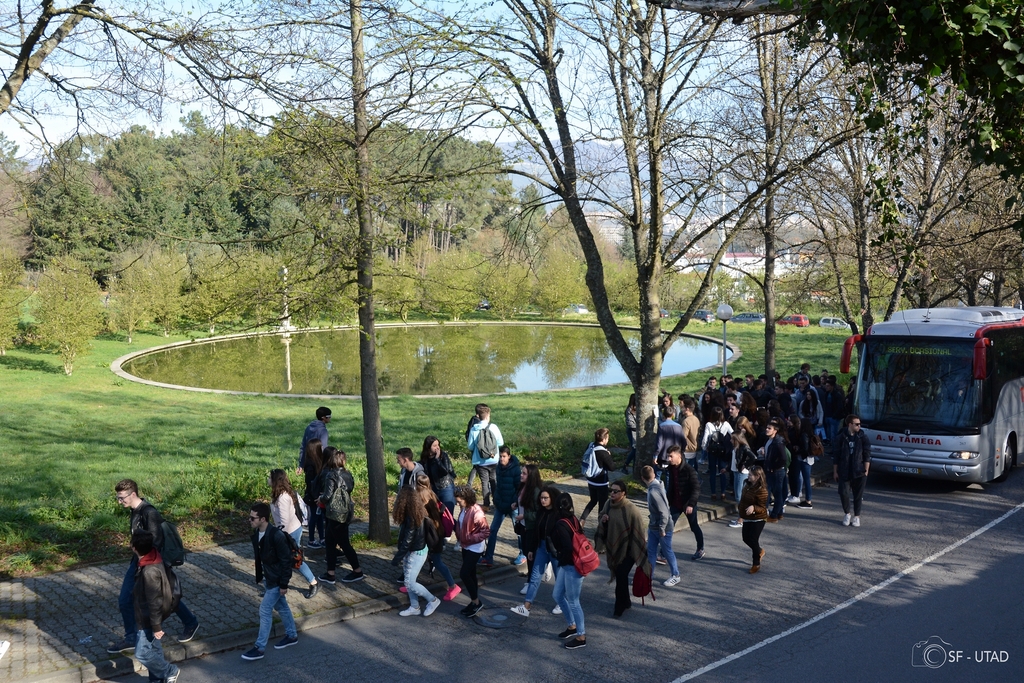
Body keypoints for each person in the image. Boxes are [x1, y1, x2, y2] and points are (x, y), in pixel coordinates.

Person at [108, 480, 199, 654]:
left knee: (165, 597)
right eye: (118, 498)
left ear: (132, 494)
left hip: (150, 564)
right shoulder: (134, 511)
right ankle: (131, 637)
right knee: (143, 598)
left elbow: (156, 542)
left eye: (122, 498)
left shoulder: (149, 512)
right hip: (139, 560)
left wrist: (146, 567)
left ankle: (190, 622)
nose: (120, 501)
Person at [242, 502, 298, 660]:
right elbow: (260, 558)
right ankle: (292, 635)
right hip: (269, 578)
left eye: (253, 518)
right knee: (283, 607)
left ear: (263, 519)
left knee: (265, 610)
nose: (250, 520)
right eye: (250, 517)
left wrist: (284, 584)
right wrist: (260, 577)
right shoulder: (257, 534)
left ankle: (259, 648)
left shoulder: (276, 536)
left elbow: (286, 561)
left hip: (277, 580)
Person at [128, 530, 180, 683]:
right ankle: (157, 679)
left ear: (134, 548)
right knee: (154, 649)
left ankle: (170, 670)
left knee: (142, 653)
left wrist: (156, 626)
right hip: (150, 616)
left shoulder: (149, 571)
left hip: (147, 618)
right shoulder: (153, 558)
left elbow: (154, 601)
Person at [594, 481, 649, 618]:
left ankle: (619, 606)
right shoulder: (608, 505)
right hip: (616, 549)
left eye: (615, 491)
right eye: (610, 490)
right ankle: (626, 601)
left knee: (621, 574)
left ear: (623, 493)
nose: (612, 493)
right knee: (621, 576)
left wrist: (638, 551)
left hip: (630, 549)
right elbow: (600, 517)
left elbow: (639, 532)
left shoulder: (631, 510)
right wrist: (603, 520)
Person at [509, 484, 562, 617]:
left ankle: (561, 603)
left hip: (555, 550)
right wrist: (532, 549)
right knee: (534, 578)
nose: (542, 500)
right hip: (542, 548)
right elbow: (536, 532)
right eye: (541, 498)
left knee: (559, 578)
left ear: (552, 498)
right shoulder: (541, 512)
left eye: (545, 498)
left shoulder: (558, 514)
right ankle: (527, 606)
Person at [391, 488, 443, 617]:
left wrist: (397, 558)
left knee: (409, 582)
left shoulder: (412, 518)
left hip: (416, 553)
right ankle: (414, 607)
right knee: (409, 581)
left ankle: (433, 600)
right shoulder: (415, 512)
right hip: (414, 551)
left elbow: (407, 541)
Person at [268, 469, 319, 599]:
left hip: (290, 533)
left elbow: (284, 521)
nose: (268, 479)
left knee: (295, 560)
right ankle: (274, 588)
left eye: (270, 477)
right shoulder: (278, 495)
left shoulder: (283, 498)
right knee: (283, 561)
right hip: (286, 532)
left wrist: (278, 537)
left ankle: (313, 583)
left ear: (276, 480)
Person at [317, 448, 365, 584]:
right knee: (330, 542)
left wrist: (320, 498)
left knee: (344, 544)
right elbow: (350, 489)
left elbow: (327, 495)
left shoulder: (331, 475)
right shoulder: (348, 474)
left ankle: (357, 571)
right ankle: (330, 573)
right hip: (346, 511)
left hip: (335, 514)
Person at [415, 474, 461, 601]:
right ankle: (411, 585)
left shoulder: (423, 497)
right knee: (418, 560)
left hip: (432, 537)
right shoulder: (431, 494)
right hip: (434, 534)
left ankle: (453, 586)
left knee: (437, 562)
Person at [551, 492, 587, 649]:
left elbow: (567, 547)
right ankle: (572, 626)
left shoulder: (561, 523)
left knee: (574, 602)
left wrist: (560, 557)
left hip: (573, 566)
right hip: (569, 565)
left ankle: (581, 636)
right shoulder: (573, 519)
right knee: (557, 595)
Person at [482, 446, 522, 567]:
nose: (501, 459)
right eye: (500, 456)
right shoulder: (498, 468)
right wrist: (496, 499)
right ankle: (488, 558)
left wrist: (514, 502)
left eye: (504, 456)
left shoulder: (516, 470)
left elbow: (519, 488)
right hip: (501, 505)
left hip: (512, 506)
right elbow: (498, 486)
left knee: (519, 531)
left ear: (509, 457)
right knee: (493, 530)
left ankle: (523, 554)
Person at [454, 485, 490, 617]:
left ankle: (476, 602)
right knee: (472, 574)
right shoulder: (464, 509)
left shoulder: (477, 512)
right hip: (466, 546)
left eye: (459, 501)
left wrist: (469, 538)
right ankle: (474, 602)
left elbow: (486, 531)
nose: (458, 504)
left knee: (464, 574)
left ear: (466, 498)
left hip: (475, 548)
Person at [641, 465, 680, 587]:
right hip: (654, 526)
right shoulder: (658, 484)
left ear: (643, 478)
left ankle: (676, 575)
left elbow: (664, 512)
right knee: (651, 551)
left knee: (667, 551)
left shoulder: (653, 491)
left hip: (662, 527)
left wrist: (662, 528)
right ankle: (649, 576)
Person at [664, 446, 704, 560]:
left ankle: (700, 548)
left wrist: (691, 504)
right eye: (668, 456)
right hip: (675, 504)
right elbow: (671, 486)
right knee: (668, 527)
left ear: (679, 456)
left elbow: (696, 488)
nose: (669, 458)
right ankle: (663, 552)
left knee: (694, 526)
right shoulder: (671, 468)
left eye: (671, 456)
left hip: (687, 504)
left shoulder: (689, 470)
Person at [835, 414, 871, 527]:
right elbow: (836, 455)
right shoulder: (841, 436)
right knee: (843, 493)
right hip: (844, 470)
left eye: (860, 424)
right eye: (857, 424)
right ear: (850, 424)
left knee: (858, 495)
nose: (859, 426)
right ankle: (847, 513)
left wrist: (866, 470)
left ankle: (857, 516)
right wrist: (835, 471)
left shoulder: (862, 437)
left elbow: (867, 454)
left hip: (859, 470)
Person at [466, 404, 503, 509]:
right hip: (493, 459)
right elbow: (500, 442)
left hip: (480, 461)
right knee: (494, 481)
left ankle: (486, 504)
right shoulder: (494, 427)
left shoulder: (474, 429)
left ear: (478, 416)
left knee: (484, 482)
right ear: (488, 416)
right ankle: (496, 502)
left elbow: (470, 446)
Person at [515, 465, 543, 589]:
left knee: (530, 556)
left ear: (531, 476)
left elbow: (539, 512)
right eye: (522, 473)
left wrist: (524, 516)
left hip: (531, 528)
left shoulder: (536, 491)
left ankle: (530, 582)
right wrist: (516, 504)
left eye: (524, 473)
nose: (521, 475)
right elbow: (523, 502)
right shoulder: (523, 487)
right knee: (527, 553)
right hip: (523, 527)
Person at [580, 428, 615, 523]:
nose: (608, 440)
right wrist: (608, 455)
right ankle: (601, 526)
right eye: (607, 438)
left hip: (590, 480)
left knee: (593, 501)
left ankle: (582, 519)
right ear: (604, 439)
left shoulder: (590, 445)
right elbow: (612, 467)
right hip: (601, 482)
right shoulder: (603, 452)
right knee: (602, 506)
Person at [739, 466, 769, 573]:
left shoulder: (762, 490)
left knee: (753, 539)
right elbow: (743, 501)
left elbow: (762, 508)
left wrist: (753, 508)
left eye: (751, 475)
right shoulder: (747, 484)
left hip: (758, 518)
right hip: (747, 517)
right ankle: (760, 551)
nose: (748, 476)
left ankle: (756, 564)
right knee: (745, 538)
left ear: (757, 476)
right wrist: (741, 515)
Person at [700, 406, 734, 500]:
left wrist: (704, 448)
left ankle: (713, 493)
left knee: (712, 472)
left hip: (712, 451)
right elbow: (733, 434)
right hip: (722, 451)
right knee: (722, 471)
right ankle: (723, 493)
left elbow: (705, 439)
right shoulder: (726, 424)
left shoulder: (709, 425)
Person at [421, 435, 456, 515]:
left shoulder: (443, 456)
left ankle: (457, 527)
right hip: (433, 489)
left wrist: (437, 460)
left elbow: (445, 472)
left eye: (438, 445)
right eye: (434, 446)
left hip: (446, 487)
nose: (437, 448)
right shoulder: (424, 458)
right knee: (435, 514)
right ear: (428, 447)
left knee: (447, 514)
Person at [728, 432, 758, 528]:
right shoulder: (737, 447)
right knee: (738, 495)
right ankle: (742, 517)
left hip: (742, 473)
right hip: (736, 471)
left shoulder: (744, 447)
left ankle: (741, 519)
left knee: (740, 496)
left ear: (737, 439)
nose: (730, 440)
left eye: (732, 439)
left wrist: (744, 465)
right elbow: (734, 459)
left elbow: (753, 457)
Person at [762, 417, 789, 522]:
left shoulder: (778, 442)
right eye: (767, 428)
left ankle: (774, 515)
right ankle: (779, 513)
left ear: (775, 431)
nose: (767, 430)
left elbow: (783, 458)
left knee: (777, 494)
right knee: (771, 492)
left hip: (777, 471)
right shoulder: (769, 440)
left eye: (769, 428)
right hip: (770, 470)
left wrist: (774, 467)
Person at [301, 438, 326, 548]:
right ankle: (311, 540)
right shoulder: (311, 466)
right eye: (320, 447)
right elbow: (311, 484)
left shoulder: (318, 462)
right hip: (313, 497)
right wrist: (316, 497)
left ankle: (322, 538)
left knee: (319, 518)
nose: (322, 448)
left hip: (318, 495)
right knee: (314, 518)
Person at [654, 406, 684, 480]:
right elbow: (684, 441)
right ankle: (668, 491)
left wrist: (655, 456)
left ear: (663, 415)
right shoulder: (679, 427)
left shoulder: (661, 426)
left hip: (663, 455)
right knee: (670, 476)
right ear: (673, 414)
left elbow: (659, 444)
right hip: (675, 455)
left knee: (658, 474)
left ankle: (657, 490)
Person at [298, 406, 331, 474]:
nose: (330, 417)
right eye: (329, 416)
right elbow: (323, 448)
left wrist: (301, 465)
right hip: (319, 464)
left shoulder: (308, 428)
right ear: (323, 418)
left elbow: (303, 446)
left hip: (308, 462)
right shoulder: (323, 431)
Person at [679, 397, 701, 471]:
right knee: (694, 470)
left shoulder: (686, 421)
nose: (681, 409)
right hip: (694, 448)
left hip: (687, 450)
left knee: (687, 471)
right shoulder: (696, 419)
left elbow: (683, 437)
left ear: (687, 409)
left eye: (682, 407)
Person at [622, 394, 638, 473]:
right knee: (635, 449)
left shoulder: (638, 409)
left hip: (637, 431)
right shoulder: (629, 410)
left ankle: (635, 467)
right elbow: (630, 423)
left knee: (636, 450)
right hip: (632, 432)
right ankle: (625, 465)